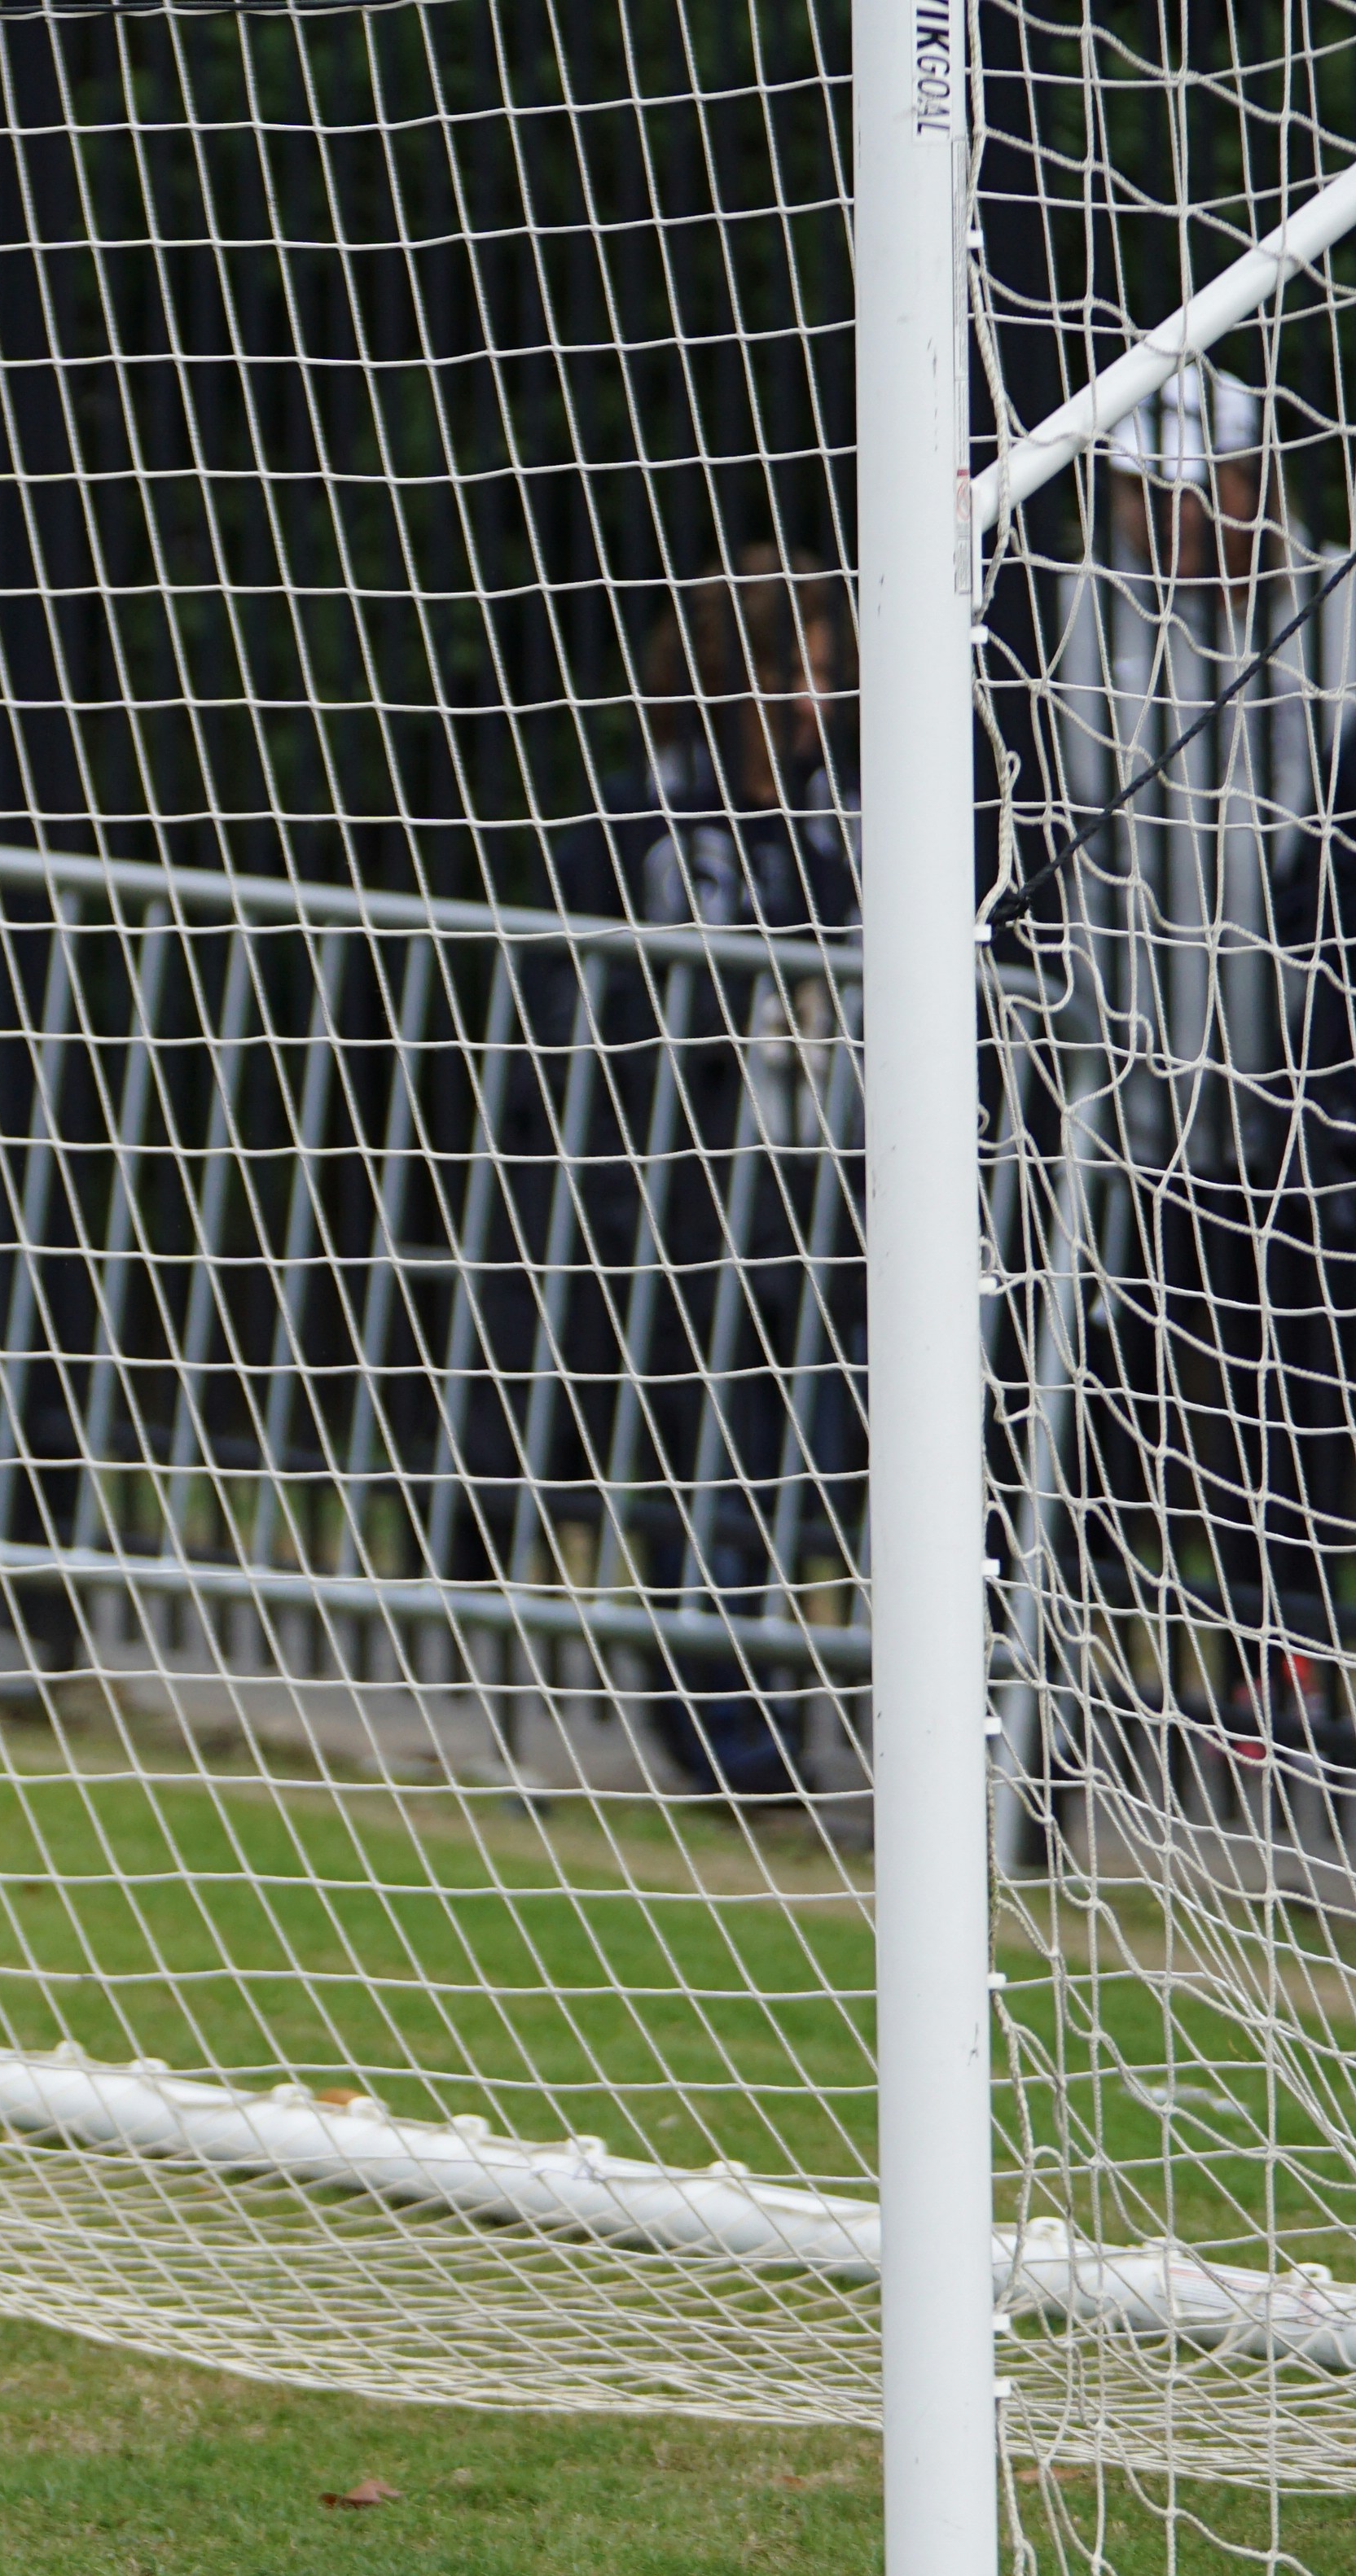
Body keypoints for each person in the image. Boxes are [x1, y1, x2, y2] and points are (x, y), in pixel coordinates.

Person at [1042, 367, 1356, 1746]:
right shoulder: (1082, 624)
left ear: (1248, 484)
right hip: (1141, 1100)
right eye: (1138, 502)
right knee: (1175, 1389)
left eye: (1187, 497)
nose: (1163, 529)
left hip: (1316, 1098)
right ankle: (1217, 1661)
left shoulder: (1335, 603)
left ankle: (1294, 1661)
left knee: (1308, 1390)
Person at [538, 550, 859, 1802]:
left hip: (814, 1183)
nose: (808, 706)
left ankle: (771, 1715)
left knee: (800, 1466)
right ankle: (729, 1739)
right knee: (700, 1466)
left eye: (824, 679)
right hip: (677, 1187)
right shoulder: (640, 825)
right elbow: (599, 1018)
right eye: (786, 674)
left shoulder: (845, 824)